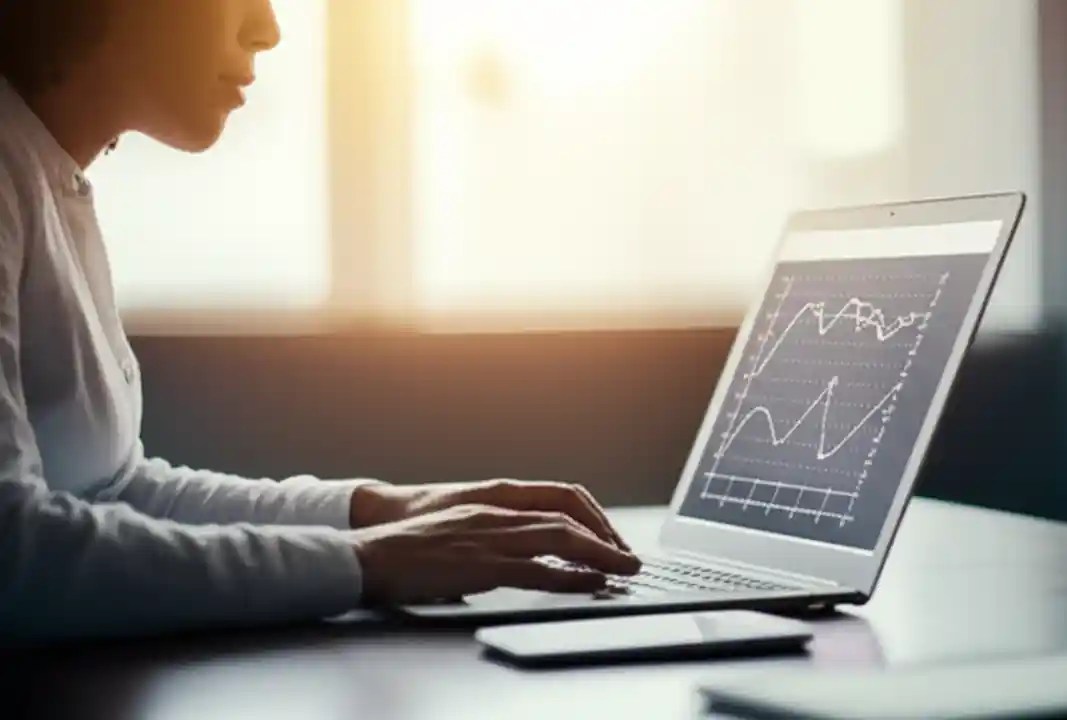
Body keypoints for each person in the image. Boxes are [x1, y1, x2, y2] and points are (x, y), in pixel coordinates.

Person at [0, 0, 640, 640]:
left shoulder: (40, 170)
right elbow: (15, 553)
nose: (268, 29)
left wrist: (379, 513)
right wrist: (368, 561)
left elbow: (113, 495)